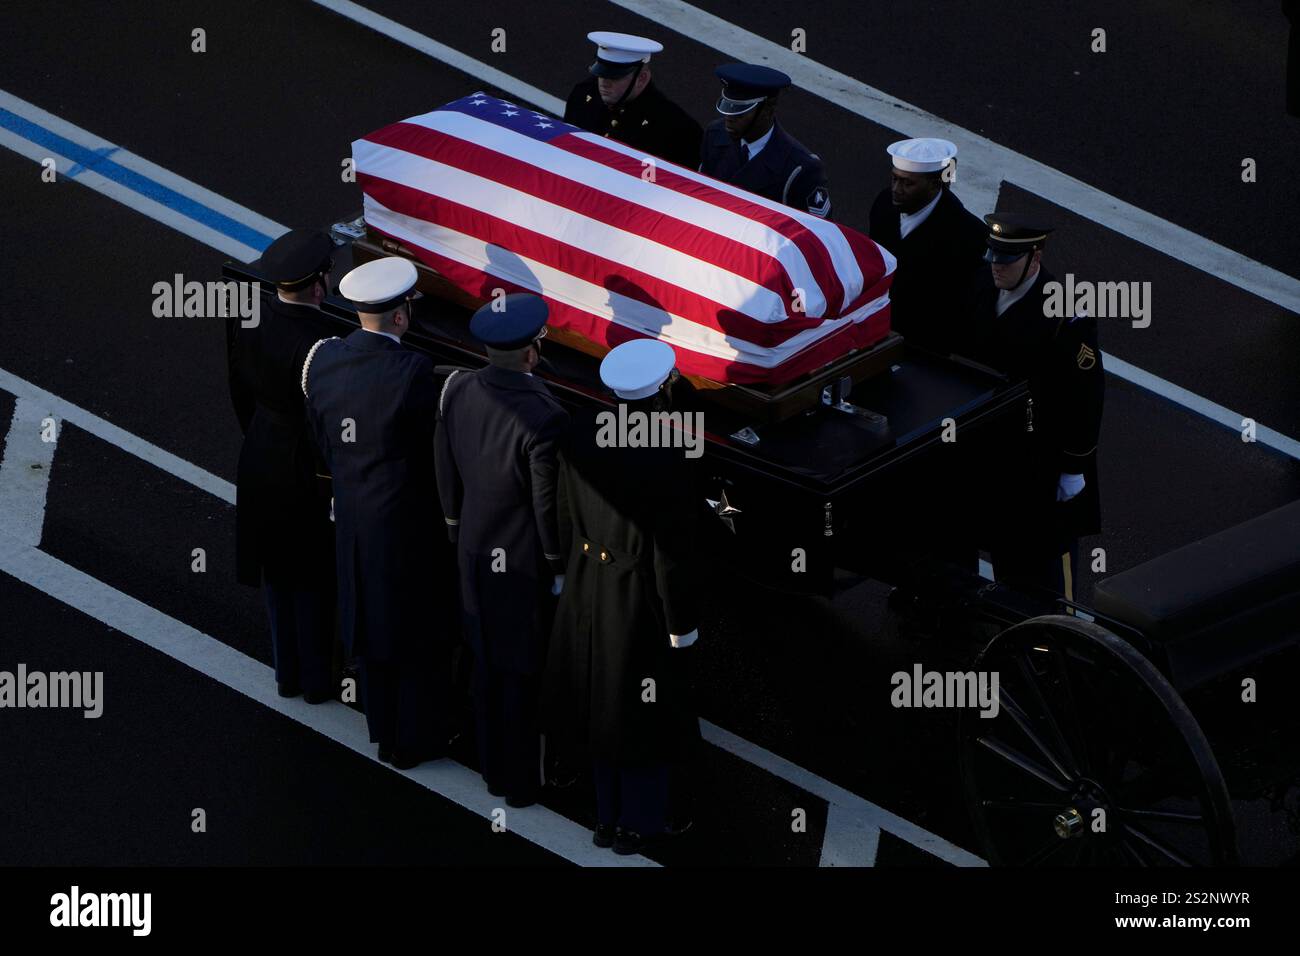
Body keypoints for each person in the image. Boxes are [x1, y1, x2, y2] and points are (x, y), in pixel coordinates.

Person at [544, 339, 701, 856]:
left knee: (597, 698)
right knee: (642, 710)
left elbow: (566, 510)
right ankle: (638, 821)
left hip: (589, 579)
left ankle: (605, 812)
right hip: (636, 598)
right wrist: (681, 624)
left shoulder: (579, 431)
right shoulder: (664, 456)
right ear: (658, 396)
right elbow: (668, 554)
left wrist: (567, 574)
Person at [303, 256, 455, 768]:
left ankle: (381, 727)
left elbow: (324, 441)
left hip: (351, 514)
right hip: (404, 521)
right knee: (412, 630)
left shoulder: (322, 360)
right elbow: (429, 451)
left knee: (368, 623)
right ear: (399, 317)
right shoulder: (412, 372)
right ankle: (410, 740)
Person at [434, 294, 569, 807]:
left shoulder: (458, 389)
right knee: (521, 672)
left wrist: (453, 524)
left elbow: (444, 465)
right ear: (533, 353)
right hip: (520, 562)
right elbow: (544, 504)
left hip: (472, 546)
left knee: (484, 658)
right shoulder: (544, 417)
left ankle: (489, 763)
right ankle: (519, 782)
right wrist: (556, 564)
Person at [970, 213, 1105, 601]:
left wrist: (1074, 467)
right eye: (993, 256)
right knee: (1007, 553)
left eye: (1007, 260)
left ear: (1035, 258)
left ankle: (1055, 646)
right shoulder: (983, 285)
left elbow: (1086, 397)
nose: (996, 265)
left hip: (1043, 460)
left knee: (1049, 571)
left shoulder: (1067, 314)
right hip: (998, 451)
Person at [228, 229, 338, 703]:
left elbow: (239, 391)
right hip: (301, 469)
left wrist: (259, 432)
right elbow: (325, 424)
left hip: (259, 451)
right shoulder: (324, 343)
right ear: (319, 286)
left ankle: (287, 673)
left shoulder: (249, 317)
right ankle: (315, 681)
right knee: (311, 576)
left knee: (277, 571)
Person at [866, 138, 987, 354]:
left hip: (926, 345)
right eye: (894, 179)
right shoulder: (884, 204)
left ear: (934, 184)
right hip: (879, 329)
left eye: (908, 183)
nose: (896, 189)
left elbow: (960, 303)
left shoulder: (968, 234)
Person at [699, 64, 831, 217]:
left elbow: (815, 231)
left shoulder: (800, 168)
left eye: (740, 112)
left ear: (768, 108)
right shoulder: (715, 134)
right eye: (729, 108)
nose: (729, 118)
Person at [564, 31, 703, 169]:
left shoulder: (676, 128)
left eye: (614, 77)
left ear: (641, 78)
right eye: (601, 74)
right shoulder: (583, 94)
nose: (604, 83)